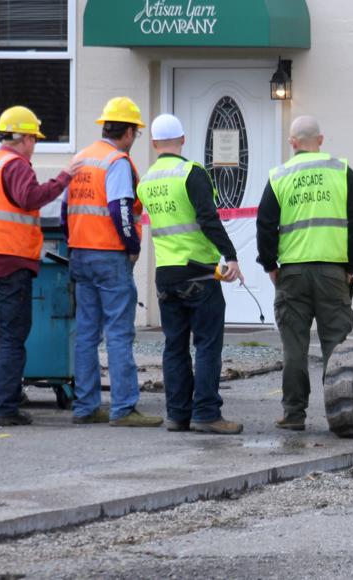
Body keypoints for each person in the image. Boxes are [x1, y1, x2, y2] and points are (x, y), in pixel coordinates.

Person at [256, 115, 353, 431]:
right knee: (336, 346)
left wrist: (270, 266)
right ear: (320, 140)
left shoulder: (279, 177)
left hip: (291, 275)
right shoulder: (342, 172)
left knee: (294, 346)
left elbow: (265, 225)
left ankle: (293, 415)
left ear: (292, 143)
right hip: (333, 274)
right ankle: (339, 415)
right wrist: (351, 268)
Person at [0, 106, 79, 426]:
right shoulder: (17, 166)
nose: (35, 146)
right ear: (26, 138)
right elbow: (30, 198)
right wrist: (64, 178)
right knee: (12, 337)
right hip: (10, 261)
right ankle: (5, 406)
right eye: (35, 139)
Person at [135, 114, 244, 434]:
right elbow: (208, 219)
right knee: (208, 344)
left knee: (174, 346)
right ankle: (207, 413)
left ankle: (177, 414)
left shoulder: (146, 181)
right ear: (183, 139)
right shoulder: (191, 172)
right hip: (198, 273)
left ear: (154, 144)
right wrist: (232, 255)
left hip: (166, 274)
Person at [62, 97, 161, 427]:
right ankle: (124, 408)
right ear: (129, 132)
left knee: (87, 334)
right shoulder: (117, 161)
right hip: (109, 256)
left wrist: (74, 241)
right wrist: (131, 244)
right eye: (136, 132)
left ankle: (86, 406)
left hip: (80, 253)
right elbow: (121, 208)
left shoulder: (82, 158)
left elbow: (66, 210)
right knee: (119, 334)